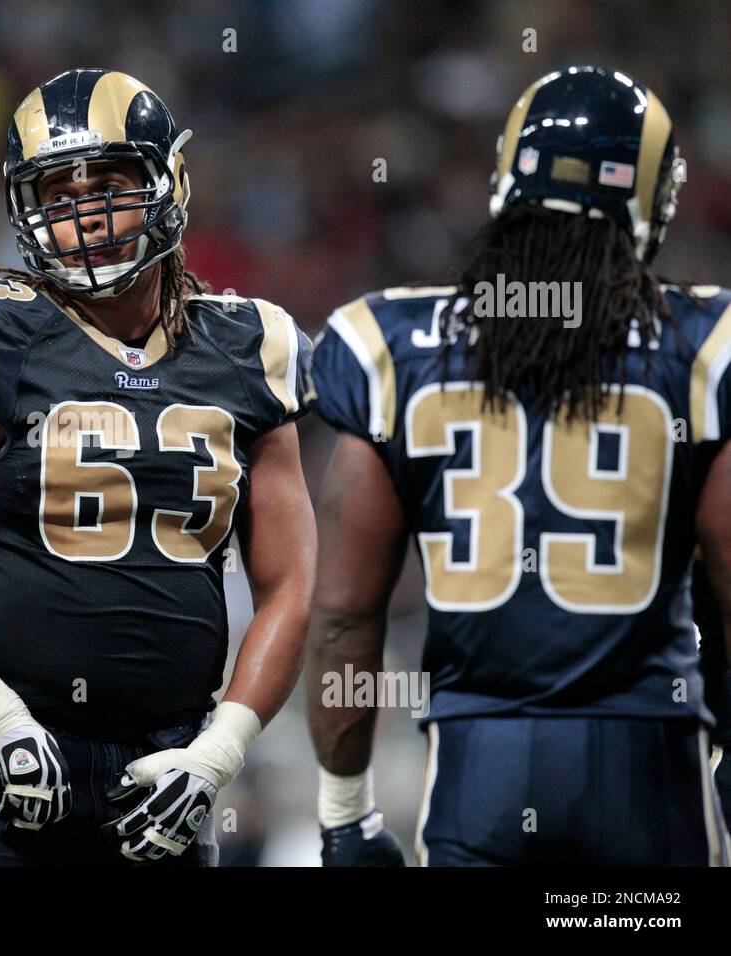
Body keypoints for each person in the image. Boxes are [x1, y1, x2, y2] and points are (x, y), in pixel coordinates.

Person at [0, 68, 316, 866]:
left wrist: (219, 752)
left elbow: (292, 586)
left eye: (111, 186)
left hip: (167, 767)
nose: (86, 217)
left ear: (169, 184)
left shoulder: (249, 346)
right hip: (6, 759)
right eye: (57, 197)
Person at [306, 65, 731, 866]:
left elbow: (343, 615)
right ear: (648, 200)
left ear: (508, 179)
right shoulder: (703, 344)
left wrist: (345, 812)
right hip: (650, 762)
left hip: (481, 767)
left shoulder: (392, 343)